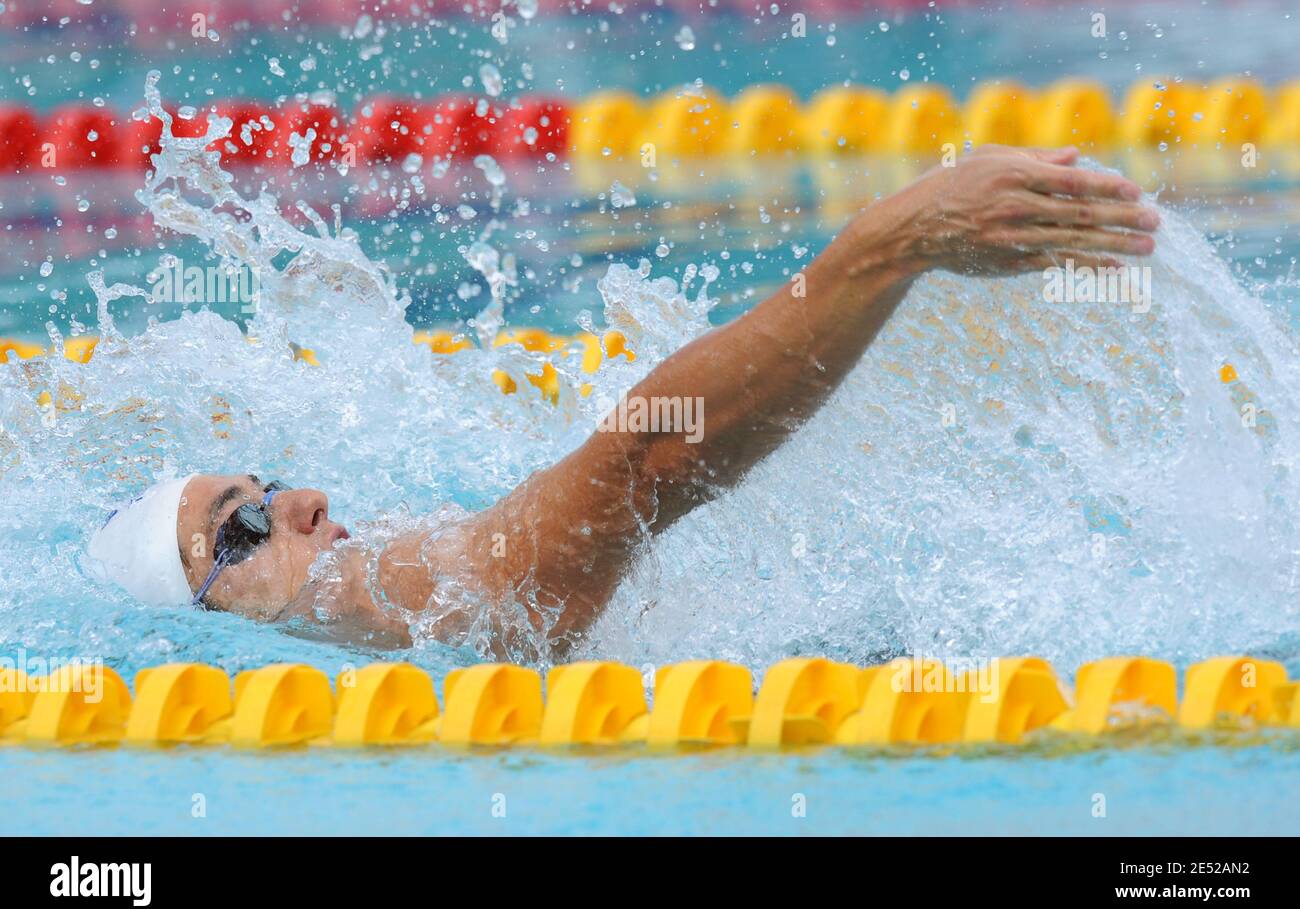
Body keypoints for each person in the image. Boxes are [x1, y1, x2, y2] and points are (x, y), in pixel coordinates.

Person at [87, 145, 1159, 657]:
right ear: (210, 615)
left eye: (269, 485)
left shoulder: (386, 595)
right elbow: (633, 466)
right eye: (246, 522)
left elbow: (620, 477)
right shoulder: (384, 594)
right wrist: (882, 250)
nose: (307, 497)